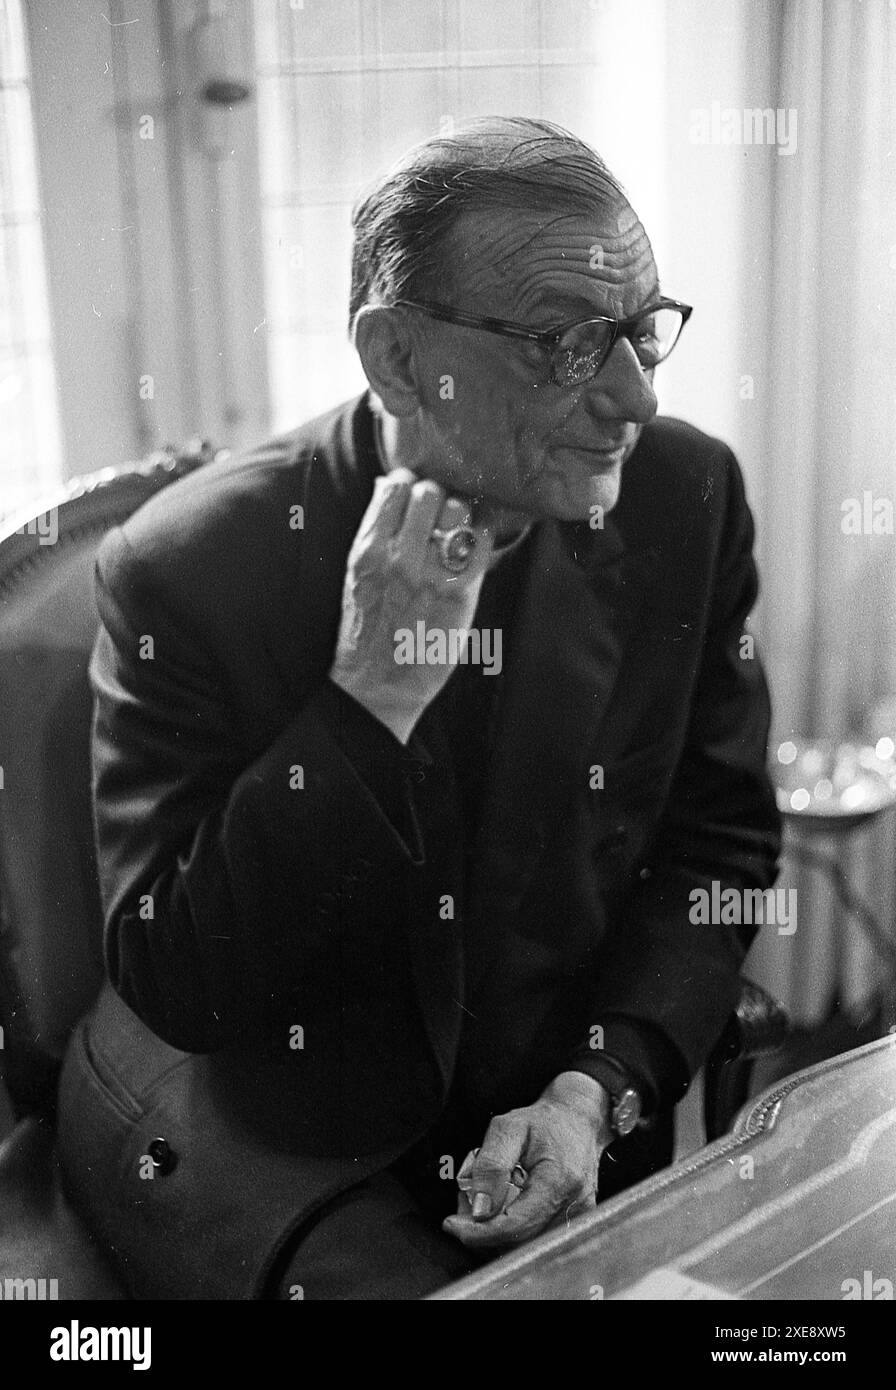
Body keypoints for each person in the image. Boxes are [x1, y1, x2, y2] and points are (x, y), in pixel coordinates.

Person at [57, 117, 781, 1300]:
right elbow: (176, 976)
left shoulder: (681, 498)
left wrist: (593, 1090)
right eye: (566, 343)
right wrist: (367, 702)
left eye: (644, 330)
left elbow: (720, 843)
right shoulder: (190, 569)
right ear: (397, 359)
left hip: (559, 1124)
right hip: (288, 1141)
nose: (635, 398)